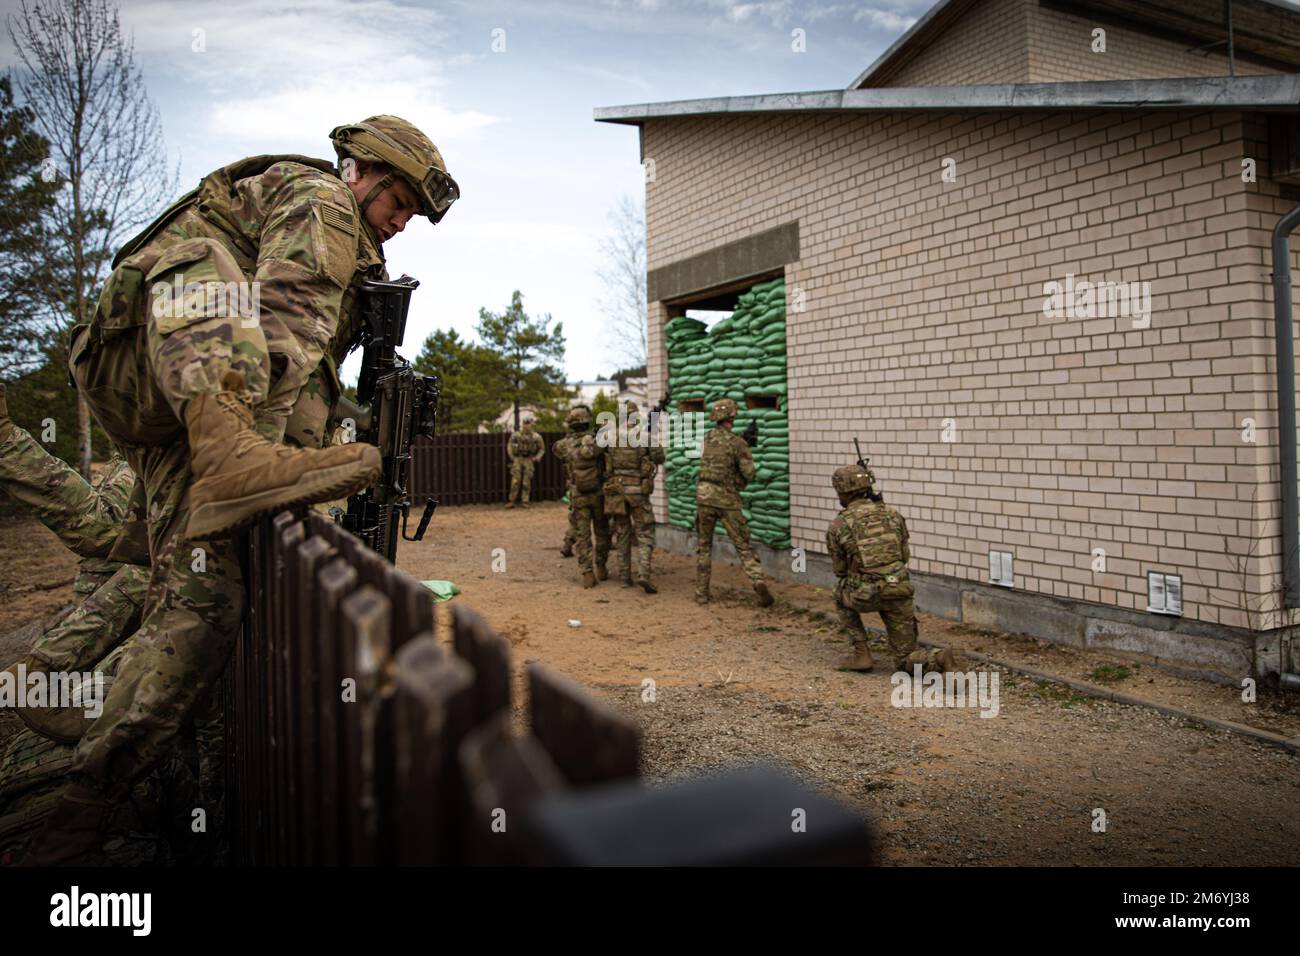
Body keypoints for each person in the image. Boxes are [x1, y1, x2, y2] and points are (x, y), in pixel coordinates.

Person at [25, 115, 459, 864]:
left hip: (171, 408)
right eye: (400, 206)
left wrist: (301, 475)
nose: (402, 224)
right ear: (366, 173)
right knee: (213, 284)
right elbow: (287, 327)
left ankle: (79, 810)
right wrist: (262, 460)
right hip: (156, 361)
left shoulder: (348, 256)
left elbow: (305, 376)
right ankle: (231, 458)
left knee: (208, 603)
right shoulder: (322, 198)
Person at [825, 462, 955, 673]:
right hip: (899, 590)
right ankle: (939, 658)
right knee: (905, 659)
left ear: (843, 493)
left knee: (839, 592)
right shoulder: (893, 514)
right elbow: (903, 556)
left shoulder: (839, 525)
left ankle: (862, 654)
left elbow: (839, 570)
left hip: (864, 595)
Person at [695, 398, 773, 607]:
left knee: (703, 547)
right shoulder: (738, 443)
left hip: (704, 497)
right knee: (743, 546)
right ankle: (757, 582)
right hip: (727, 499)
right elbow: (749, 473)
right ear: (732, 417)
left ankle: (702, 592)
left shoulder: (706, 439)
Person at [602, 401, 664, 593]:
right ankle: (643, 574)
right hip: (638, 492)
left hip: (618, 492)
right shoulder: (645, 436)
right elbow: (660, 458)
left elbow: (606, 461)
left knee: (622, 533)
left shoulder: (611, 437)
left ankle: (624, 577)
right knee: (644, 534)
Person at [557, 406, 609, 588]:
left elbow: (557, 450)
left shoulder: (565, 444)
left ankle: (587, 572)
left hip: (578, 494)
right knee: (602, 531)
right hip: (598, 493)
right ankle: (601, 565)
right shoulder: (597, 440)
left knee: (582, 535)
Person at [504, 415, 544, 508]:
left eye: (529, 424)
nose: (527, 426)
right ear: (523, 424)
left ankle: (525, 500)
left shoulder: (536, 436)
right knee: (515, 481)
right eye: (525, 424)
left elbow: (542, 449)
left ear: (532, 425)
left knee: (527, 481)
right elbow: (509, 444)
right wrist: (512, 456)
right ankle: (512, 500)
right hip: (518, 458)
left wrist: (537, 457)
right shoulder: (516, 435)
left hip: (529, 459)